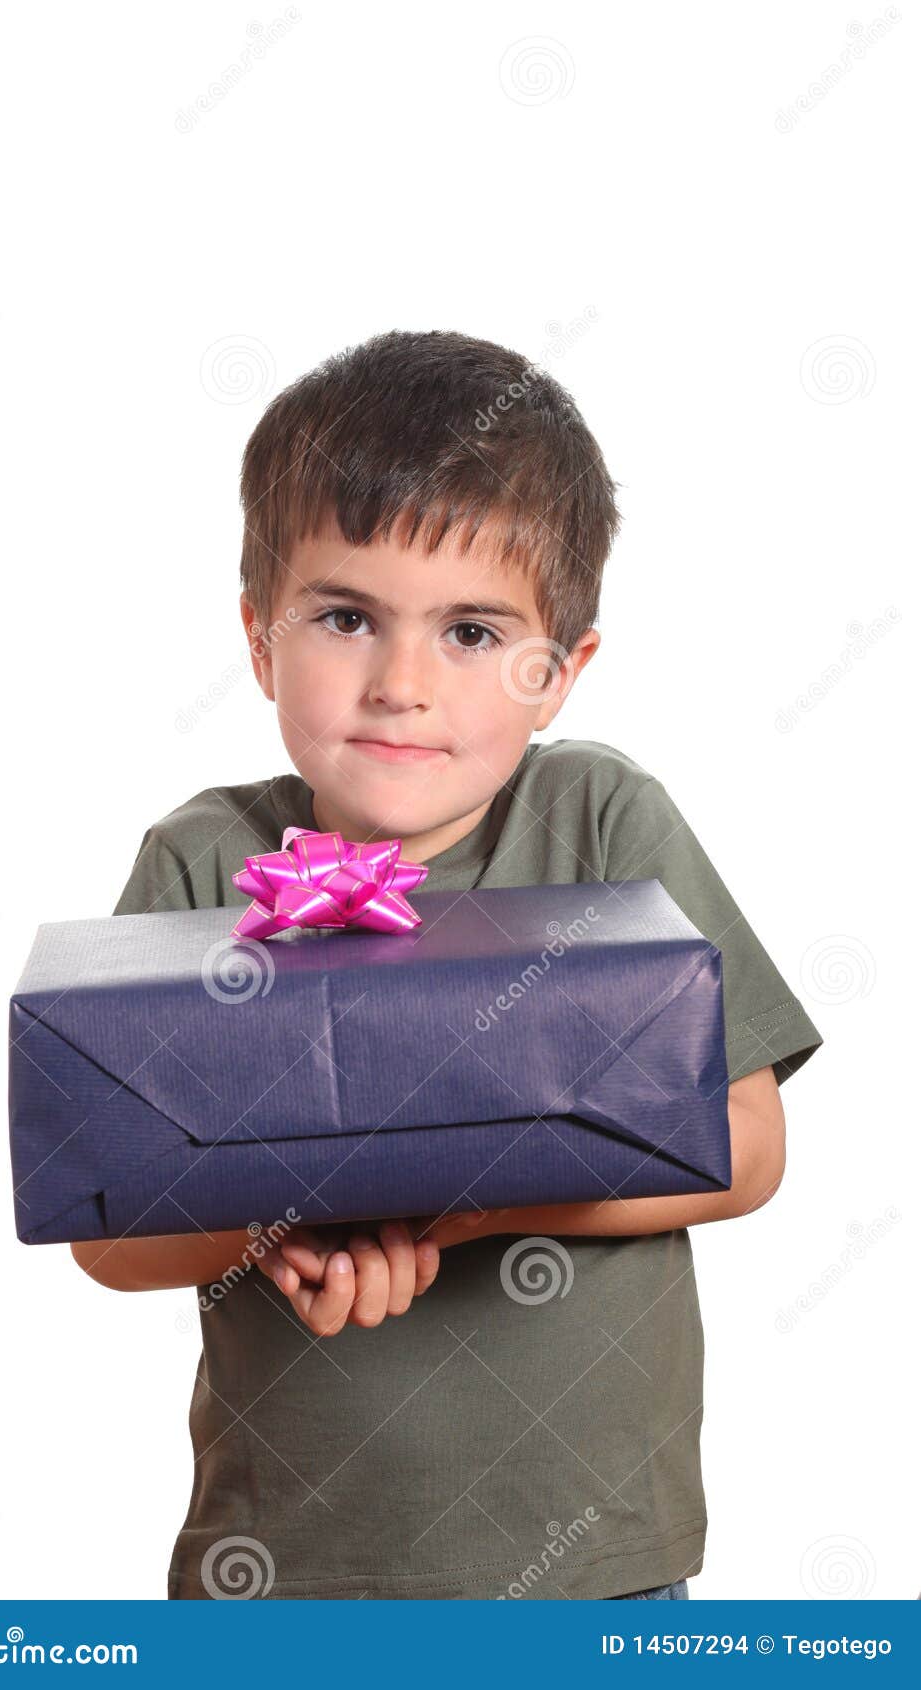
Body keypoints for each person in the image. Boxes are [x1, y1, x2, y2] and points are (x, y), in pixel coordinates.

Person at [71, 329, 823, 1600]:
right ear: (259, 636)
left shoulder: (602, 827)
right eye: (345, 617)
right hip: (288, 1571)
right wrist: (268, 1225)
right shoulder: (204, 861)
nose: (400, 684)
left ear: (558, 671)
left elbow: (746, 1142)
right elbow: (109, 1228)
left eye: (471, 631)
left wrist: (474, 1202)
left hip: (594, 1569)